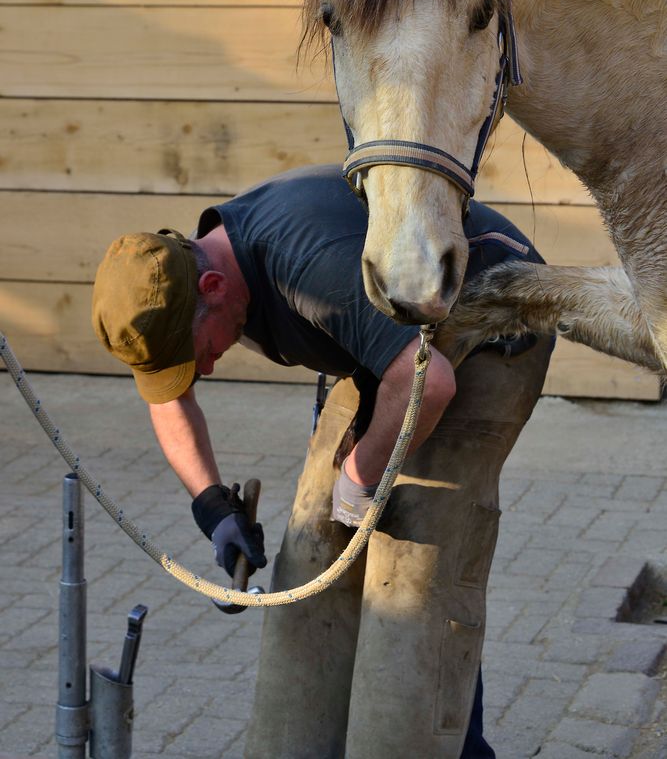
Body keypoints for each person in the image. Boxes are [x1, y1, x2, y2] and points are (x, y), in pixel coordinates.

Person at [92, 163, 550, 759]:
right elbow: (169, 397)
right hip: (389, 345)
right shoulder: (189, 279)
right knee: (316, 545)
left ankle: (454, 747)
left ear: (213, 290)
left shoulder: (305, 265)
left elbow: (427, 385)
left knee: (414, 567)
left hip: (489, 317)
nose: (202, 369)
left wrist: (361, 476)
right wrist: (214, 508)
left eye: (195, 353)